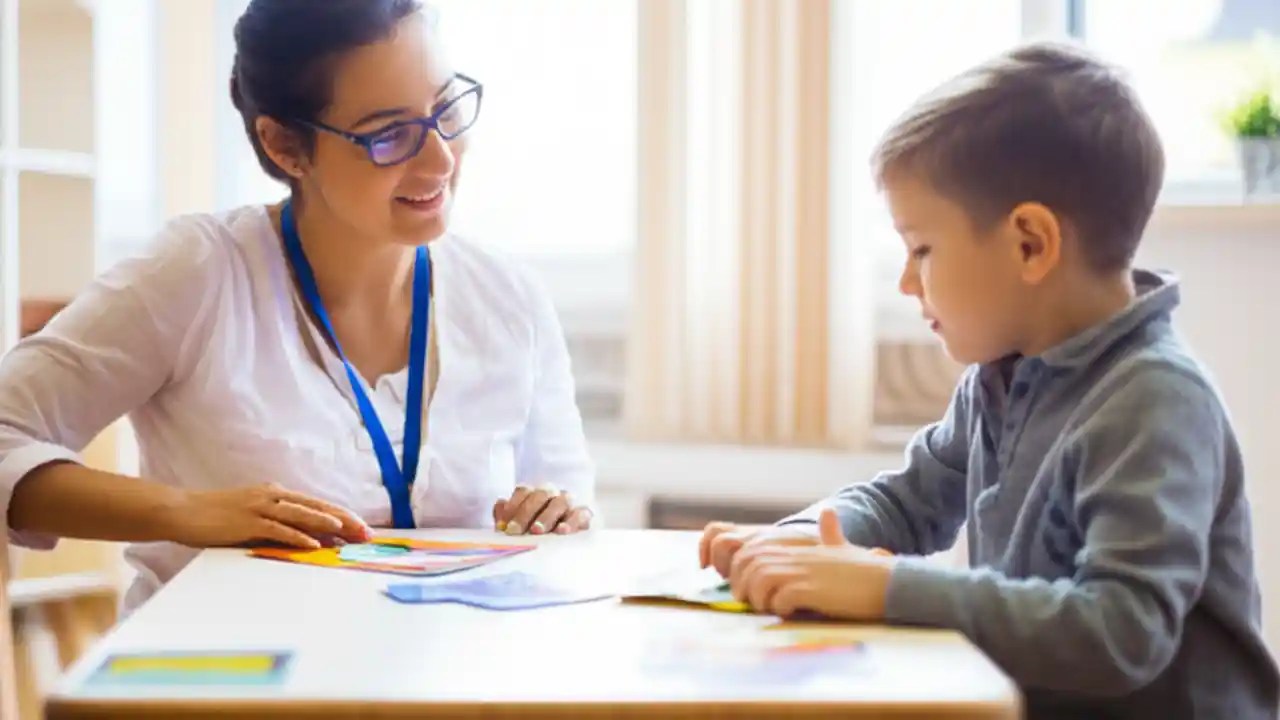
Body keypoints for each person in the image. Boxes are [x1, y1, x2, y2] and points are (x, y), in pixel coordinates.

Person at [700, 42, 1279, 718]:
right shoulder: (1001, 375)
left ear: (1030, 243)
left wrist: (884, 587)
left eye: (922, 249)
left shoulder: (1154, 400)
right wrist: (803, 539)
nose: (907, 281)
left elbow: (1123, 631)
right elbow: (908, 501)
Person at [0, 0, 596, 614]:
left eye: (446, 110)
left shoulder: (509, 297)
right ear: (286, 145)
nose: (440, 158)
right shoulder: (199, 273)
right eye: (390, 135)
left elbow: (571, 512)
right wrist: (185, 511)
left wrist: (559, 513)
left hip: (444, 662)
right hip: (227, 665)